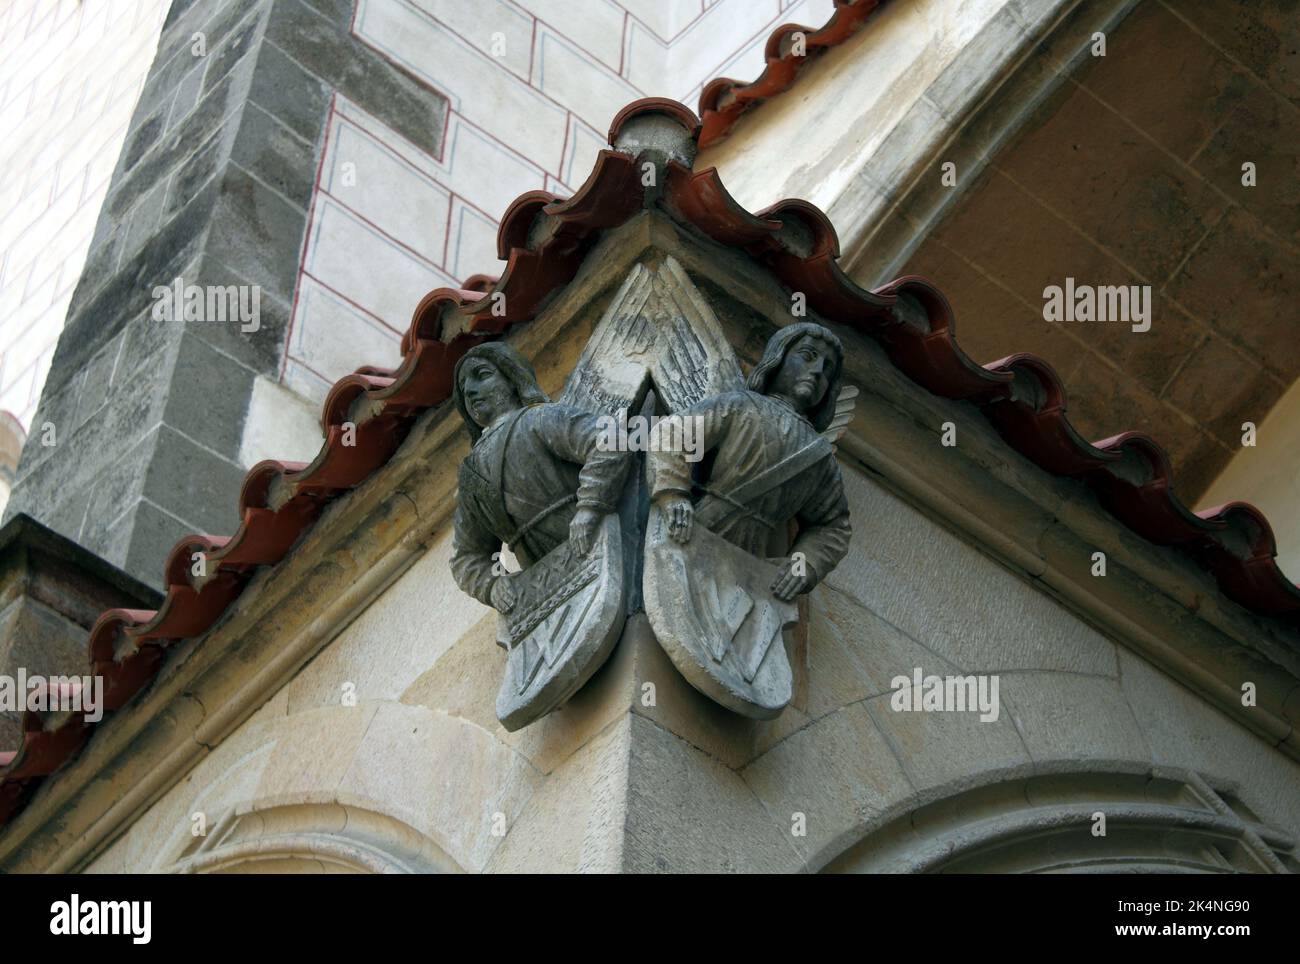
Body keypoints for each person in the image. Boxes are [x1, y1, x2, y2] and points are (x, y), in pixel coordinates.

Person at [649, 322, 852, 601]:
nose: (817, 371)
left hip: (749, 568)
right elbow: (672, 434)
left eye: (827, 369)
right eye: (807, 356)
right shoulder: (739, 406)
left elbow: (834, 526)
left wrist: (804, 564)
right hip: (695, 532)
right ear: (777, 359)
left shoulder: (820, 458)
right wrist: (673, 495)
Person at [450, 342, 631, 614]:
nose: (470, 390)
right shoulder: (470, 476)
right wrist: (490, 585)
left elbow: (609, 441)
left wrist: (590, 508)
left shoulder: (540, 419)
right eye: (464, 388)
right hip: (548, 591)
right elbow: (466, 556)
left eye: (482, 375)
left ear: (512, 379)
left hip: (600, 548)